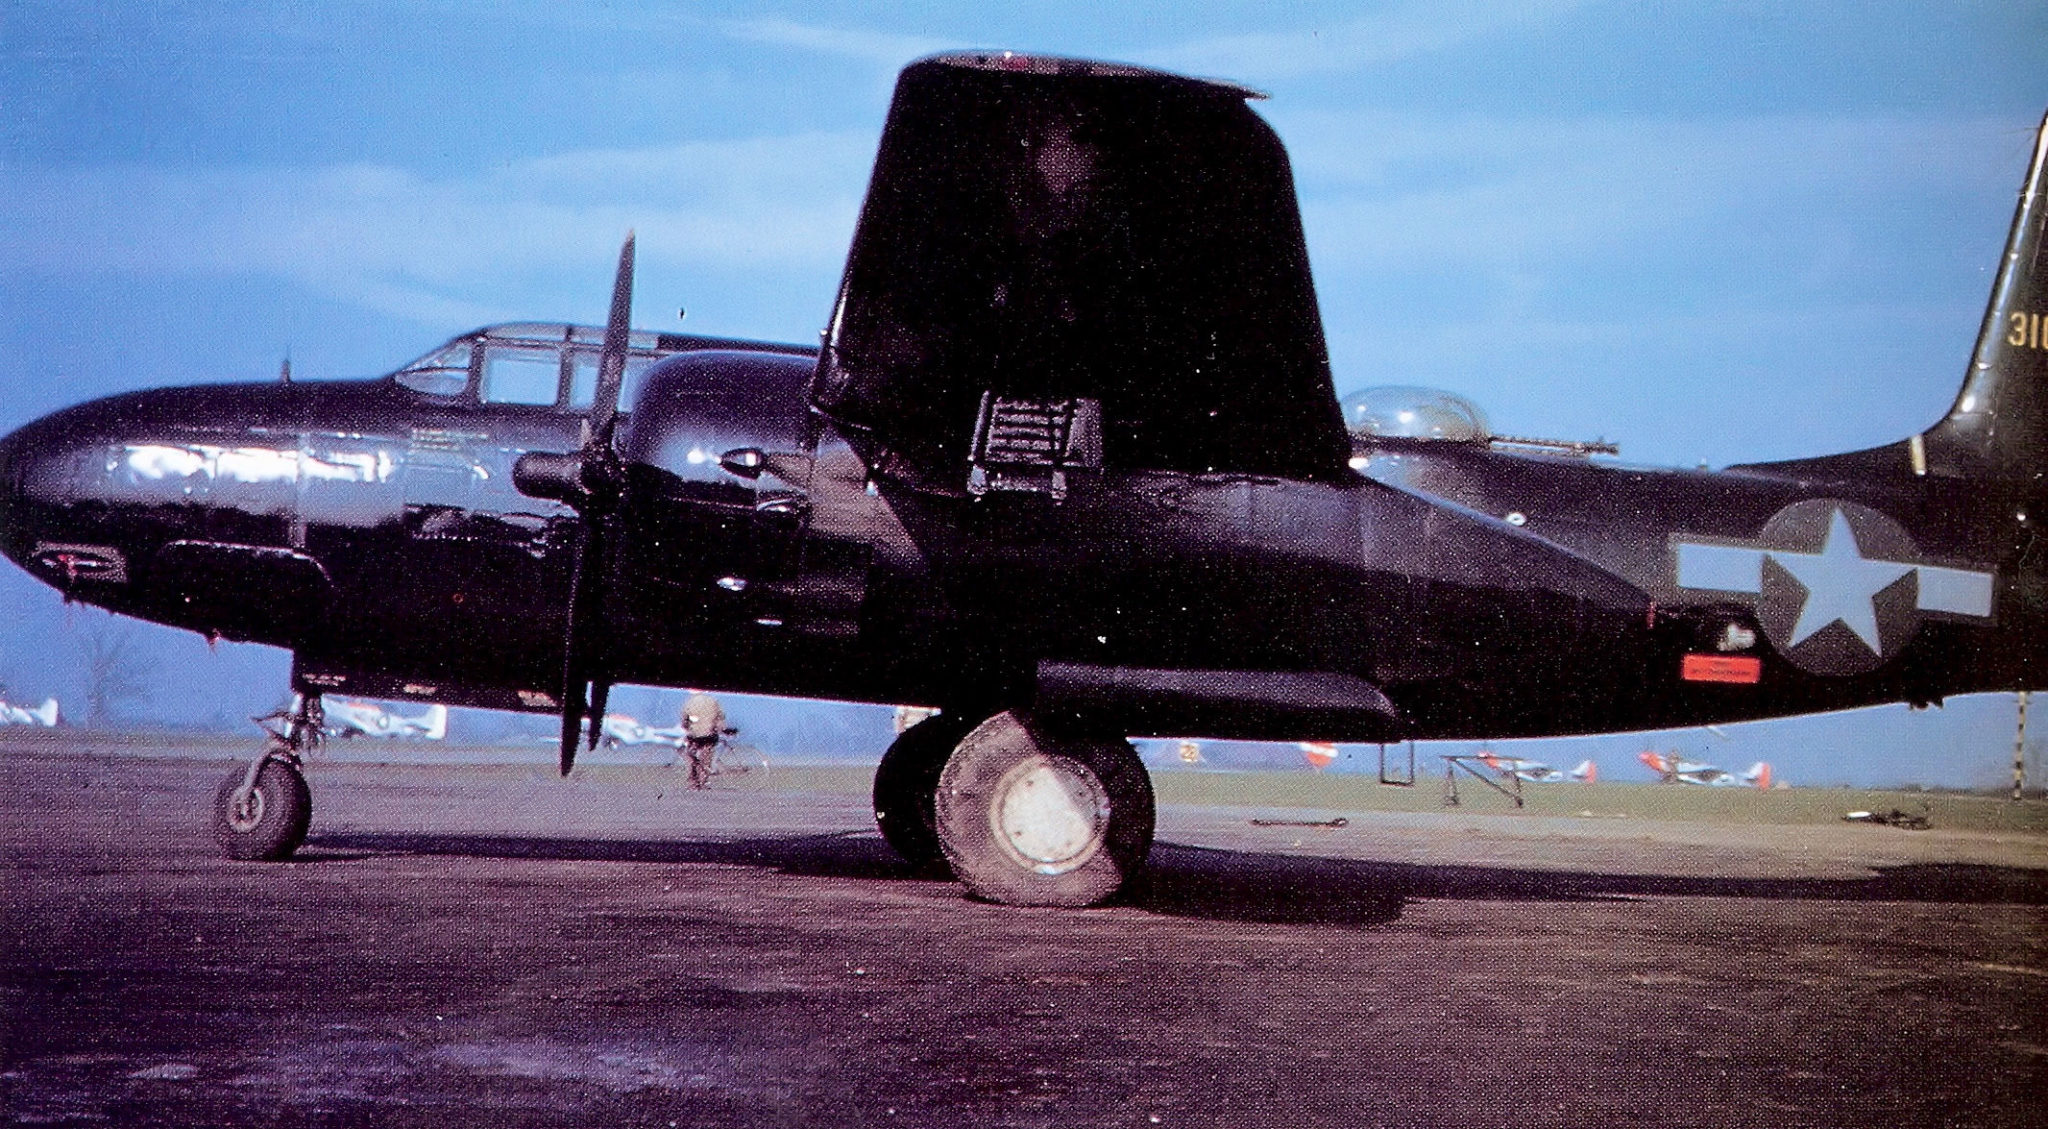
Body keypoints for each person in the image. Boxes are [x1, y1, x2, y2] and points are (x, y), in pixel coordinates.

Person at [680, 691, 727, 789]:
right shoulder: (713, 701)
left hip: (695, 734)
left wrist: (687, 727)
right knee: (706, 756)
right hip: (709, 734)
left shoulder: (690, 702)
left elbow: (685, 719)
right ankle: (704, 780)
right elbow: (720, 717)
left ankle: (693, 781)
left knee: (691, 756)